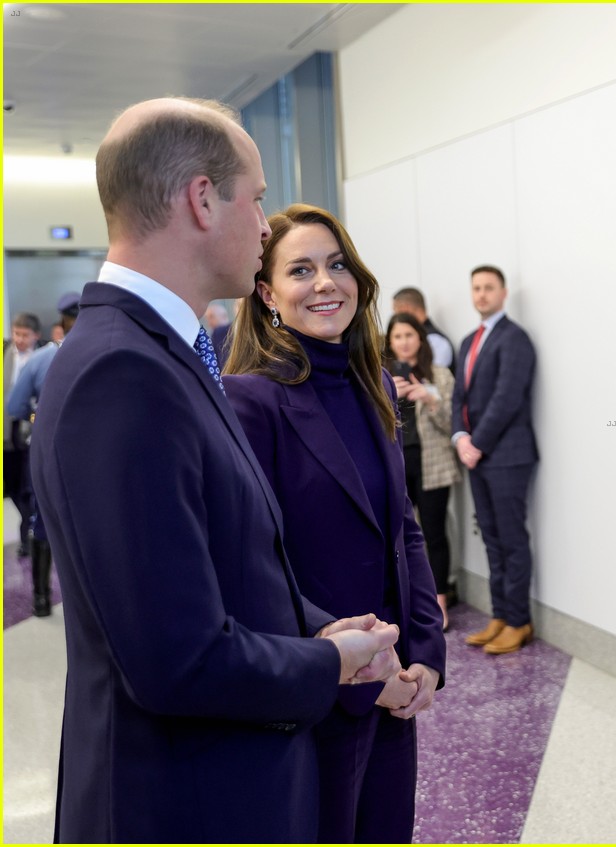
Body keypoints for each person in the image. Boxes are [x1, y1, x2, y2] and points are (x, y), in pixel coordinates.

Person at [27, 97, 401, 843]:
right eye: (257, 199)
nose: (265, 226)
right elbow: (178, 659)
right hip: (181, 802)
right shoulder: (120, 372)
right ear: (203, 199)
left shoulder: (162, 354)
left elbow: (228, 567)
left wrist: (323, 624)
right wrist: (327, 663)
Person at [224, 203, 446, 842]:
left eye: (337, 264)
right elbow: (256, 566)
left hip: (395, 682)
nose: (324, 283)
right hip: (317, 691)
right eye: (300, 270)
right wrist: (359, 673)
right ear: (267, 292)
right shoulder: (250, 398)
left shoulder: (372, 380)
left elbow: (402, 526)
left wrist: (424, 657)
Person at [452, 265, 539, 655]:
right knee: (490, 538)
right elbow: (459, 396)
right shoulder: (469, 340)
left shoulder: (515, 339)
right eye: (476, 288)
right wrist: (459, 437)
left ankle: (519, 622)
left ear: (504, 293)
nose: (482, 294)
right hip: (478, 455)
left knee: (511, 540)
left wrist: (477, 444)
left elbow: (507, 398)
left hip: (508, 456)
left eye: (489, 288)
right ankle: (501, 615)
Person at [385, 312, 461, 631]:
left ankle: (440, 602)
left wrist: (429, 399)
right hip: (395, 467)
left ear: (420, 339)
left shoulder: (440, 374)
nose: (404, 342)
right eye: (398, 336)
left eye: (410, 335)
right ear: (390, 342)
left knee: (434, 534)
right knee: (399, 537)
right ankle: (407, 601)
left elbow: (452, 423)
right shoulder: (381, 377)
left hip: (433, 466)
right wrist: (392, 397)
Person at [7, 294, 80, 617]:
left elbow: (15, 407)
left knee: (43, 522)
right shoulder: (111, 350)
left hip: (48, 451)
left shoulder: (41, 360)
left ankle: (40, 599)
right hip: (94, 459)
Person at [4, 311, 41, 556]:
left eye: (25, 335)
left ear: (36, 336)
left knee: (27, 488)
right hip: (6, 432)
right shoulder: (5, 353)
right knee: (12, 487)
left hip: (27, 434)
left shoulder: (42, 359)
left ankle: (27, 534)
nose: (19, 339)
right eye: (17, 333)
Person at [393, 286, 454, 370]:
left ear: (405, 308)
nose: (403, 342)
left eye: (396, 312)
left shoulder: (436, 342)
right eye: (398, 337)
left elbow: (434, 378)